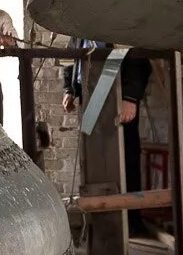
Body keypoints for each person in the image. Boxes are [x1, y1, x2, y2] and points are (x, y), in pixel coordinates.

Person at [63, 39, 152, 227]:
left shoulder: (115, 24)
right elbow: (72, 61)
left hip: (117, 95)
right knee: (95, 158)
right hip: (91, 95)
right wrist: (70, 89)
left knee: (125, 157)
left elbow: (138, 60)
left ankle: (131, 222)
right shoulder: (78, 30)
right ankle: (103, 221)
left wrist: (130, 97)